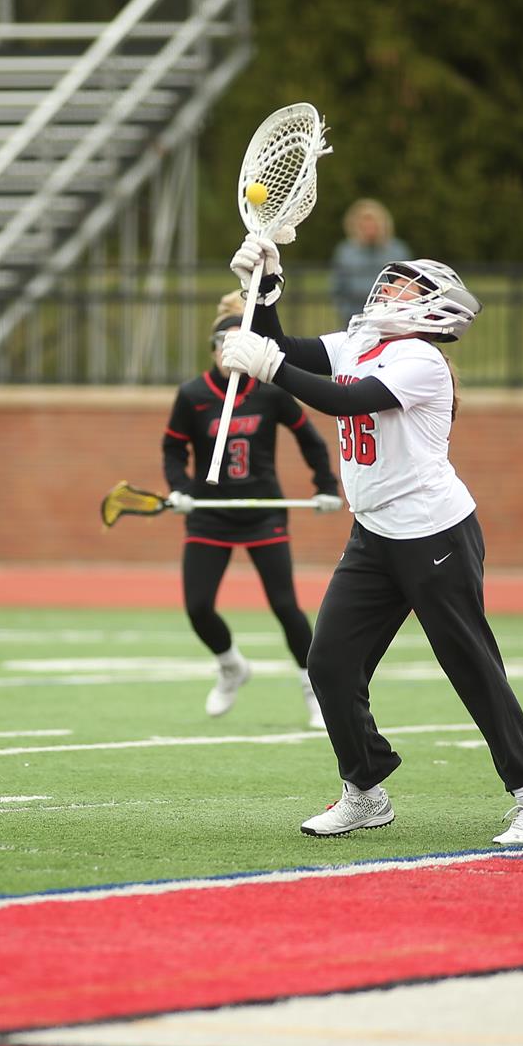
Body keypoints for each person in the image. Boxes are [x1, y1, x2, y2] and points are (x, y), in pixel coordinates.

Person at [217, 234, 523, 847]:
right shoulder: (359, 341)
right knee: (329, 663)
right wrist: (264, 287)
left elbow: (342, 397)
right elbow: (280, 345)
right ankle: (366, 790)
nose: (389, 289)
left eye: (408, 286)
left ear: (438, 309)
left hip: (435, 532)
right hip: (374, 532)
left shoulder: (421, 361)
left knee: (471, 666)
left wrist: (270, 369)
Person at [162, 292, 343, 725]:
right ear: (213, 350)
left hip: (263, 510)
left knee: (285, 605)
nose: (230, 354)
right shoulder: (192, 395)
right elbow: (173, 448)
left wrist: (324, 486)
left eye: (239, 345)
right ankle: (230, 666)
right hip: (209, 513)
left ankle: (312, 687)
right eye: (223, 346)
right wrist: (180, 488)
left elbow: (309, 439)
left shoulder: (270, 392)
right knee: (198, 606)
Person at [329, 198, 411, 328]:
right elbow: (338, 287)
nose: (370, 229)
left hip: (389, 317)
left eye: (373, 224)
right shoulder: (346, 252)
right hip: (355, 316)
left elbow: (407, 286)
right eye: (365, 225)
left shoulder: (397, 251)